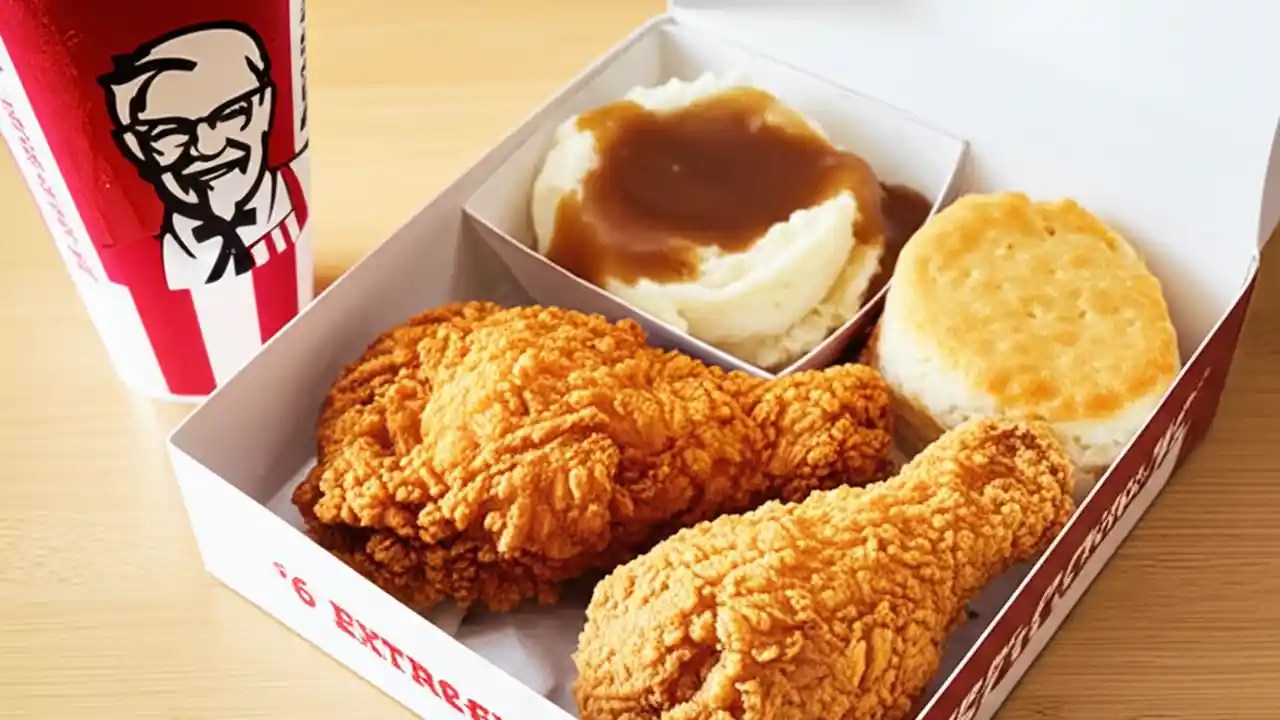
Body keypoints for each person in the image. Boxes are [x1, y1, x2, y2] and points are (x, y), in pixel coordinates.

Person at [99, 21, 308, 291]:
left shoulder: (299, 197)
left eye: (231, 113)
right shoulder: (132, 269)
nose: (208, 147)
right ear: (136, 146)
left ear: (265, 106)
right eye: (170, 131)